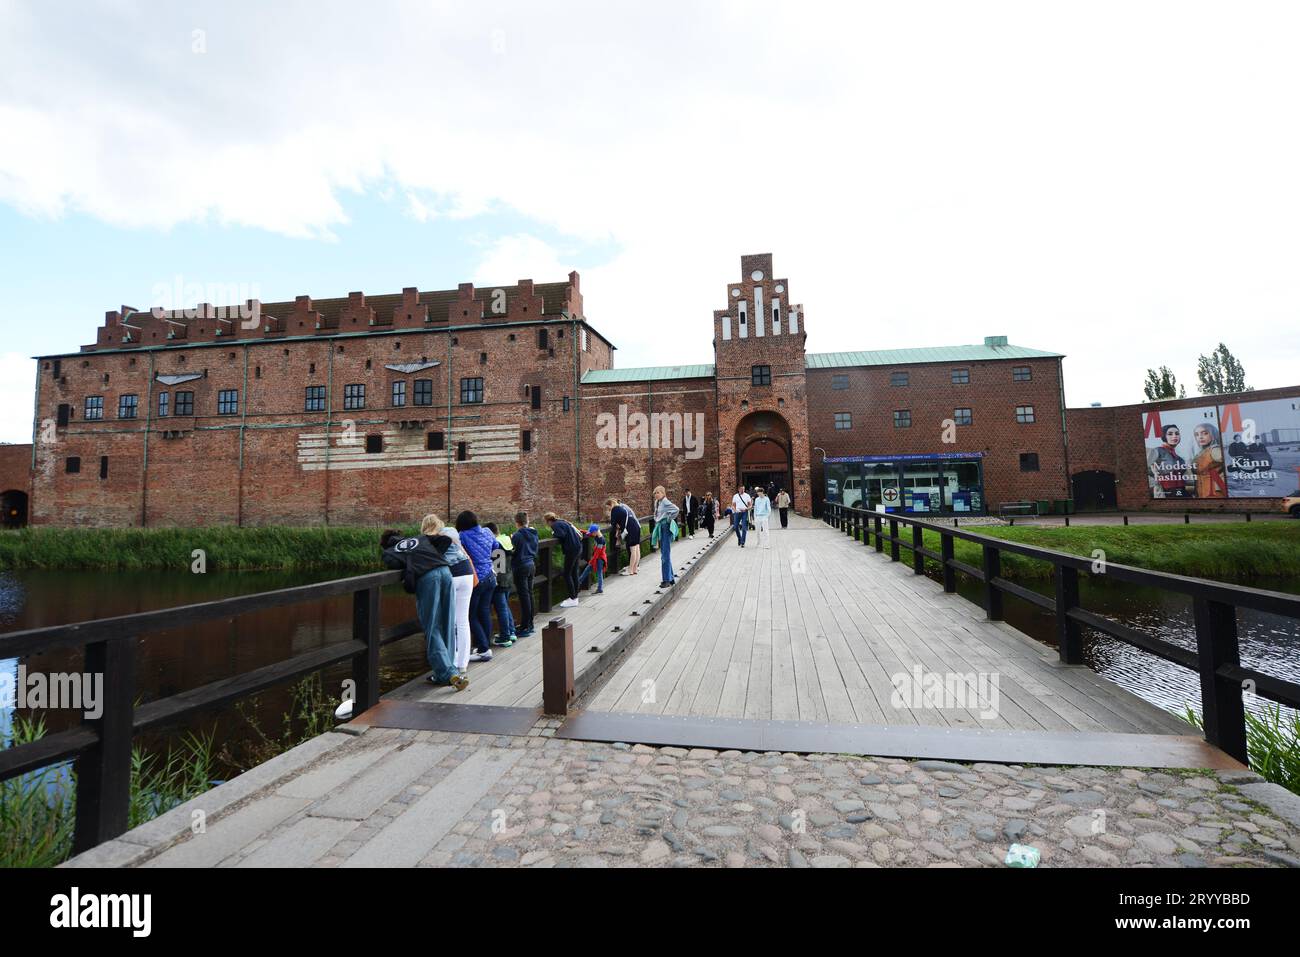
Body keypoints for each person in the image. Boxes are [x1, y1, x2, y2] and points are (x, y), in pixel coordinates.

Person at [380, 521, 468, 691]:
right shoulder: (419, 538)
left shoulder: (391, 550)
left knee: (432, 625)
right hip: (445, 571)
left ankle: (447, 673)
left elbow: (394, 564)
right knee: (447, 622)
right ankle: (450, 669)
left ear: (384, 544)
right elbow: (445, 541)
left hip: (429, 578)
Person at [455, 511, 498, 662]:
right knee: (484, 612)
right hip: (491, 576)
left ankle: (484, 649)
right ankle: (484, 646)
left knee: (470, 615)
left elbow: (458, 553)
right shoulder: (487, 531)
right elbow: (496, 546)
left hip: (476, 578)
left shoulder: (462, 536)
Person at [441, 520, 475, 674]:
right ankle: (463, 663)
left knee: (450, 621)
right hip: (466, 573)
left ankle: (452, 661)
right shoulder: (457, 542)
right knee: (463, 621)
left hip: (452, 575)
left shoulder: (438, 540)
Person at [485, 522, 517, 647]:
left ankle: (505, 636)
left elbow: (496, 566)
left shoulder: (496, 544)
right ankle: (511, 631)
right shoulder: (506, 540)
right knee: (505, 606)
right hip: (508, 577)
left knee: (501, 608)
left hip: (499, 580)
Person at [510, 510, 539, 638]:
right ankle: (530, 624)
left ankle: (525, 626)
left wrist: (511, 539)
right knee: (529, 594)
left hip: (521, 566)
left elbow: (513, 550)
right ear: (527, 522)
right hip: (531, 564)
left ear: (517, 523)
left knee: (524, 596)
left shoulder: (517, 536)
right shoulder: (534, 533)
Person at [545, 511, 583, 608]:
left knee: (567, 574)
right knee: (574, 572)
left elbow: (561, 535)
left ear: (549, 521)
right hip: (578, 547)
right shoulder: (563, 522)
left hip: (571, 550)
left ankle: (572, 598)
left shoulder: (555, 525)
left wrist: (553, 533)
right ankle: (575, 597)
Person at [606, 497, 642, 577]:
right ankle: (635, 569)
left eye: (608, 508)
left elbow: (613, 523)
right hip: (635, 524)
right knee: (636, 548)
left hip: (630, 527)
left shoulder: (615, 509)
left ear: (610, 505)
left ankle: (630, 571)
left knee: (633, 549)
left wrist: (615, 526)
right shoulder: (621, 507)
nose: (608, 510)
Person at [652, 485, 680, 586]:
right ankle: (670, 578)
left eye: (658, 492)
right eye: (655, 493)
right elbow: (656, 515)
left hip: (665, 527)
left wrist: (669, 518)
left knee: (665, 554)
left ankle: (666, 580)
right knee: (665, 553)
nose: (656, 494)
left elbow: (676, 509)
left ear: (663, 493)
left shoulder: (664, 501)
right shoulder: (658, 502)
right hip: (661, 527)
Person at [1191, 422, 1226, 498]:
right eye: (1197, 435)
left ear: (1213, 434)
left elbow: (1229, 463)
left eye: (1205, 433)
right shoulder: (1201, 453)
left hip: (1214, 492)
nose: (1200, 437)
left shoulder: (1214, 449)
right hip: (1202, 491)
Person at [578, 523, 607, 593]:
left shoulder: (601, 540)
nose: (591, 534)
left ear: (595, 532)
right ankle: (578, 582)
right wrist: (581, 531)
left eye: (592, 532)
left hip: (599, 559)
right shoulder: (597, 535)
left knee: (599, 573)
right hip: (597, 558)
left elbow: (597, 553)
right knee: (587, 570)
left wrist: (592, 561)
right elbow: (588, 534)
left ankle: (599, 588)